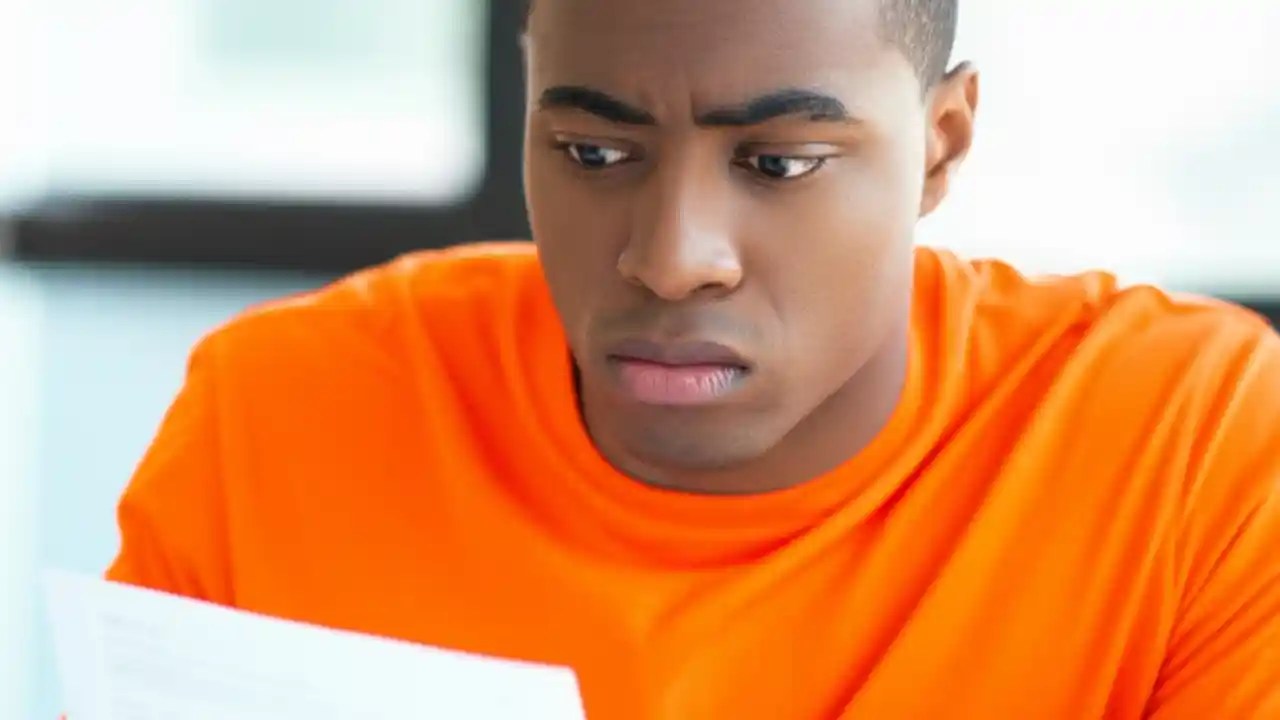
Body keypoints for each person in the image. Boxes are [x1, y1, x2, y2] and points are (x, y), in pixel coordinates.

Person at [105, 0, 1280, 717]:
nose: (671, 262)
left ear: (940, 145)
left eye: (778, 164)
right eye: (590, 151)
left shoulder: (1193, 448)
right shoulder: (282, 416)